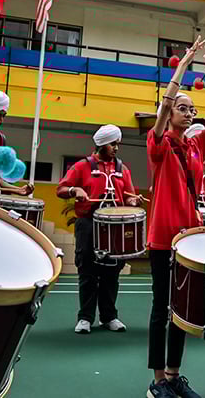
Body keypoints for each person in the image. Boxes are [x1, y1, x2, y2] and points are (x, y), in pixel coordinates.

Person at [145, 37, 205, 398]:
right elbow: (164, 107)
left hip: (189, 236)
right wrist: (182, 69)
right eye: (184, 107)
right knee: (161, 307)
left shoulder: (197, 145)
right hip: (163, 237)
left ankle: (175, 374)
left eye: (192, 108)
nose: (189, 112)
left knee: (180, 309)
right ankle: (157, 381)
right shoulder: (159, 143)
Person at [57, 124, 139, 335]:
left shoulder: (123, 169)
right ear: (101, 144)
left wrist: (132, 199)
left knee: (112, 273)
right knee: (87, 271)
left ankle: (109, 317)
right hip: (87, 223)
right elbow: (61, 189)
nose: (116, 148)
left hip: (113, 228)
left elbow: (128, 196)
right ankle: (85, 318)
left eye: (117, 144)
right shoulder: (82, 166)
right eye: (113, 144)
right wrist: (75, 190)